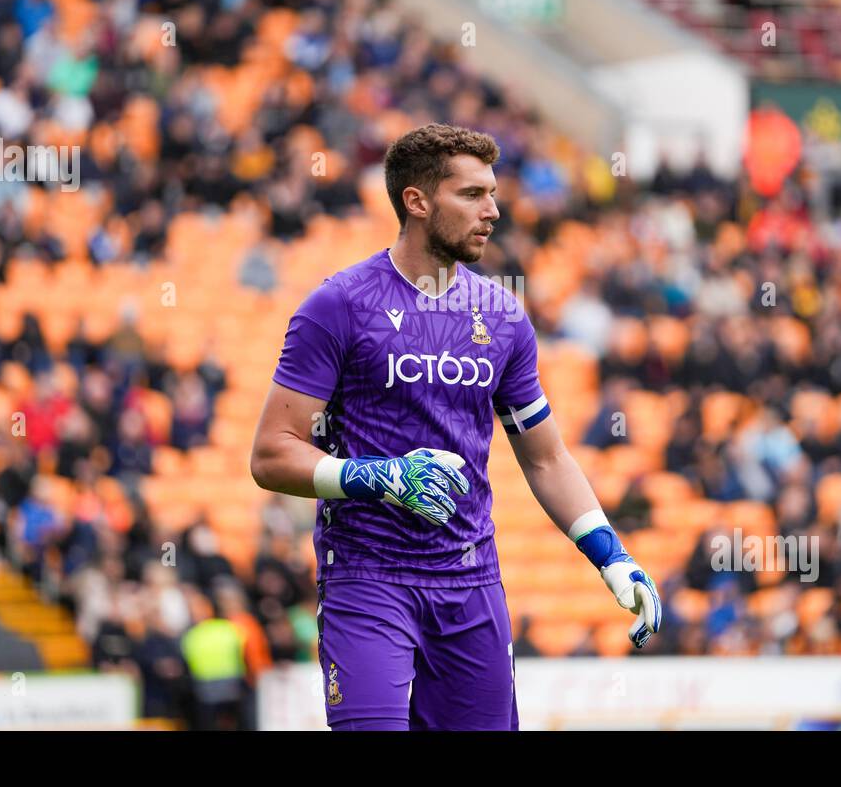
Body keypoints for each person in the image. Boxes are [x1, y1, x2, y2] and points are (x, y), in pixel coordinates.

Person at [250, 123, 661, 731]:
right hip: (368, 578)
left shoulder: (503, 317)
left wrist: (611, 556)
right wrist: (377, 477)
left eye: (493, 193)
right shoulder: (337, 306)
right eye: (471, 195)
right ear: (417, 202)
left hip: (471, 582)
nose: (493, 211)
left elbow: (545, 458)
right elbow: (271, 455)